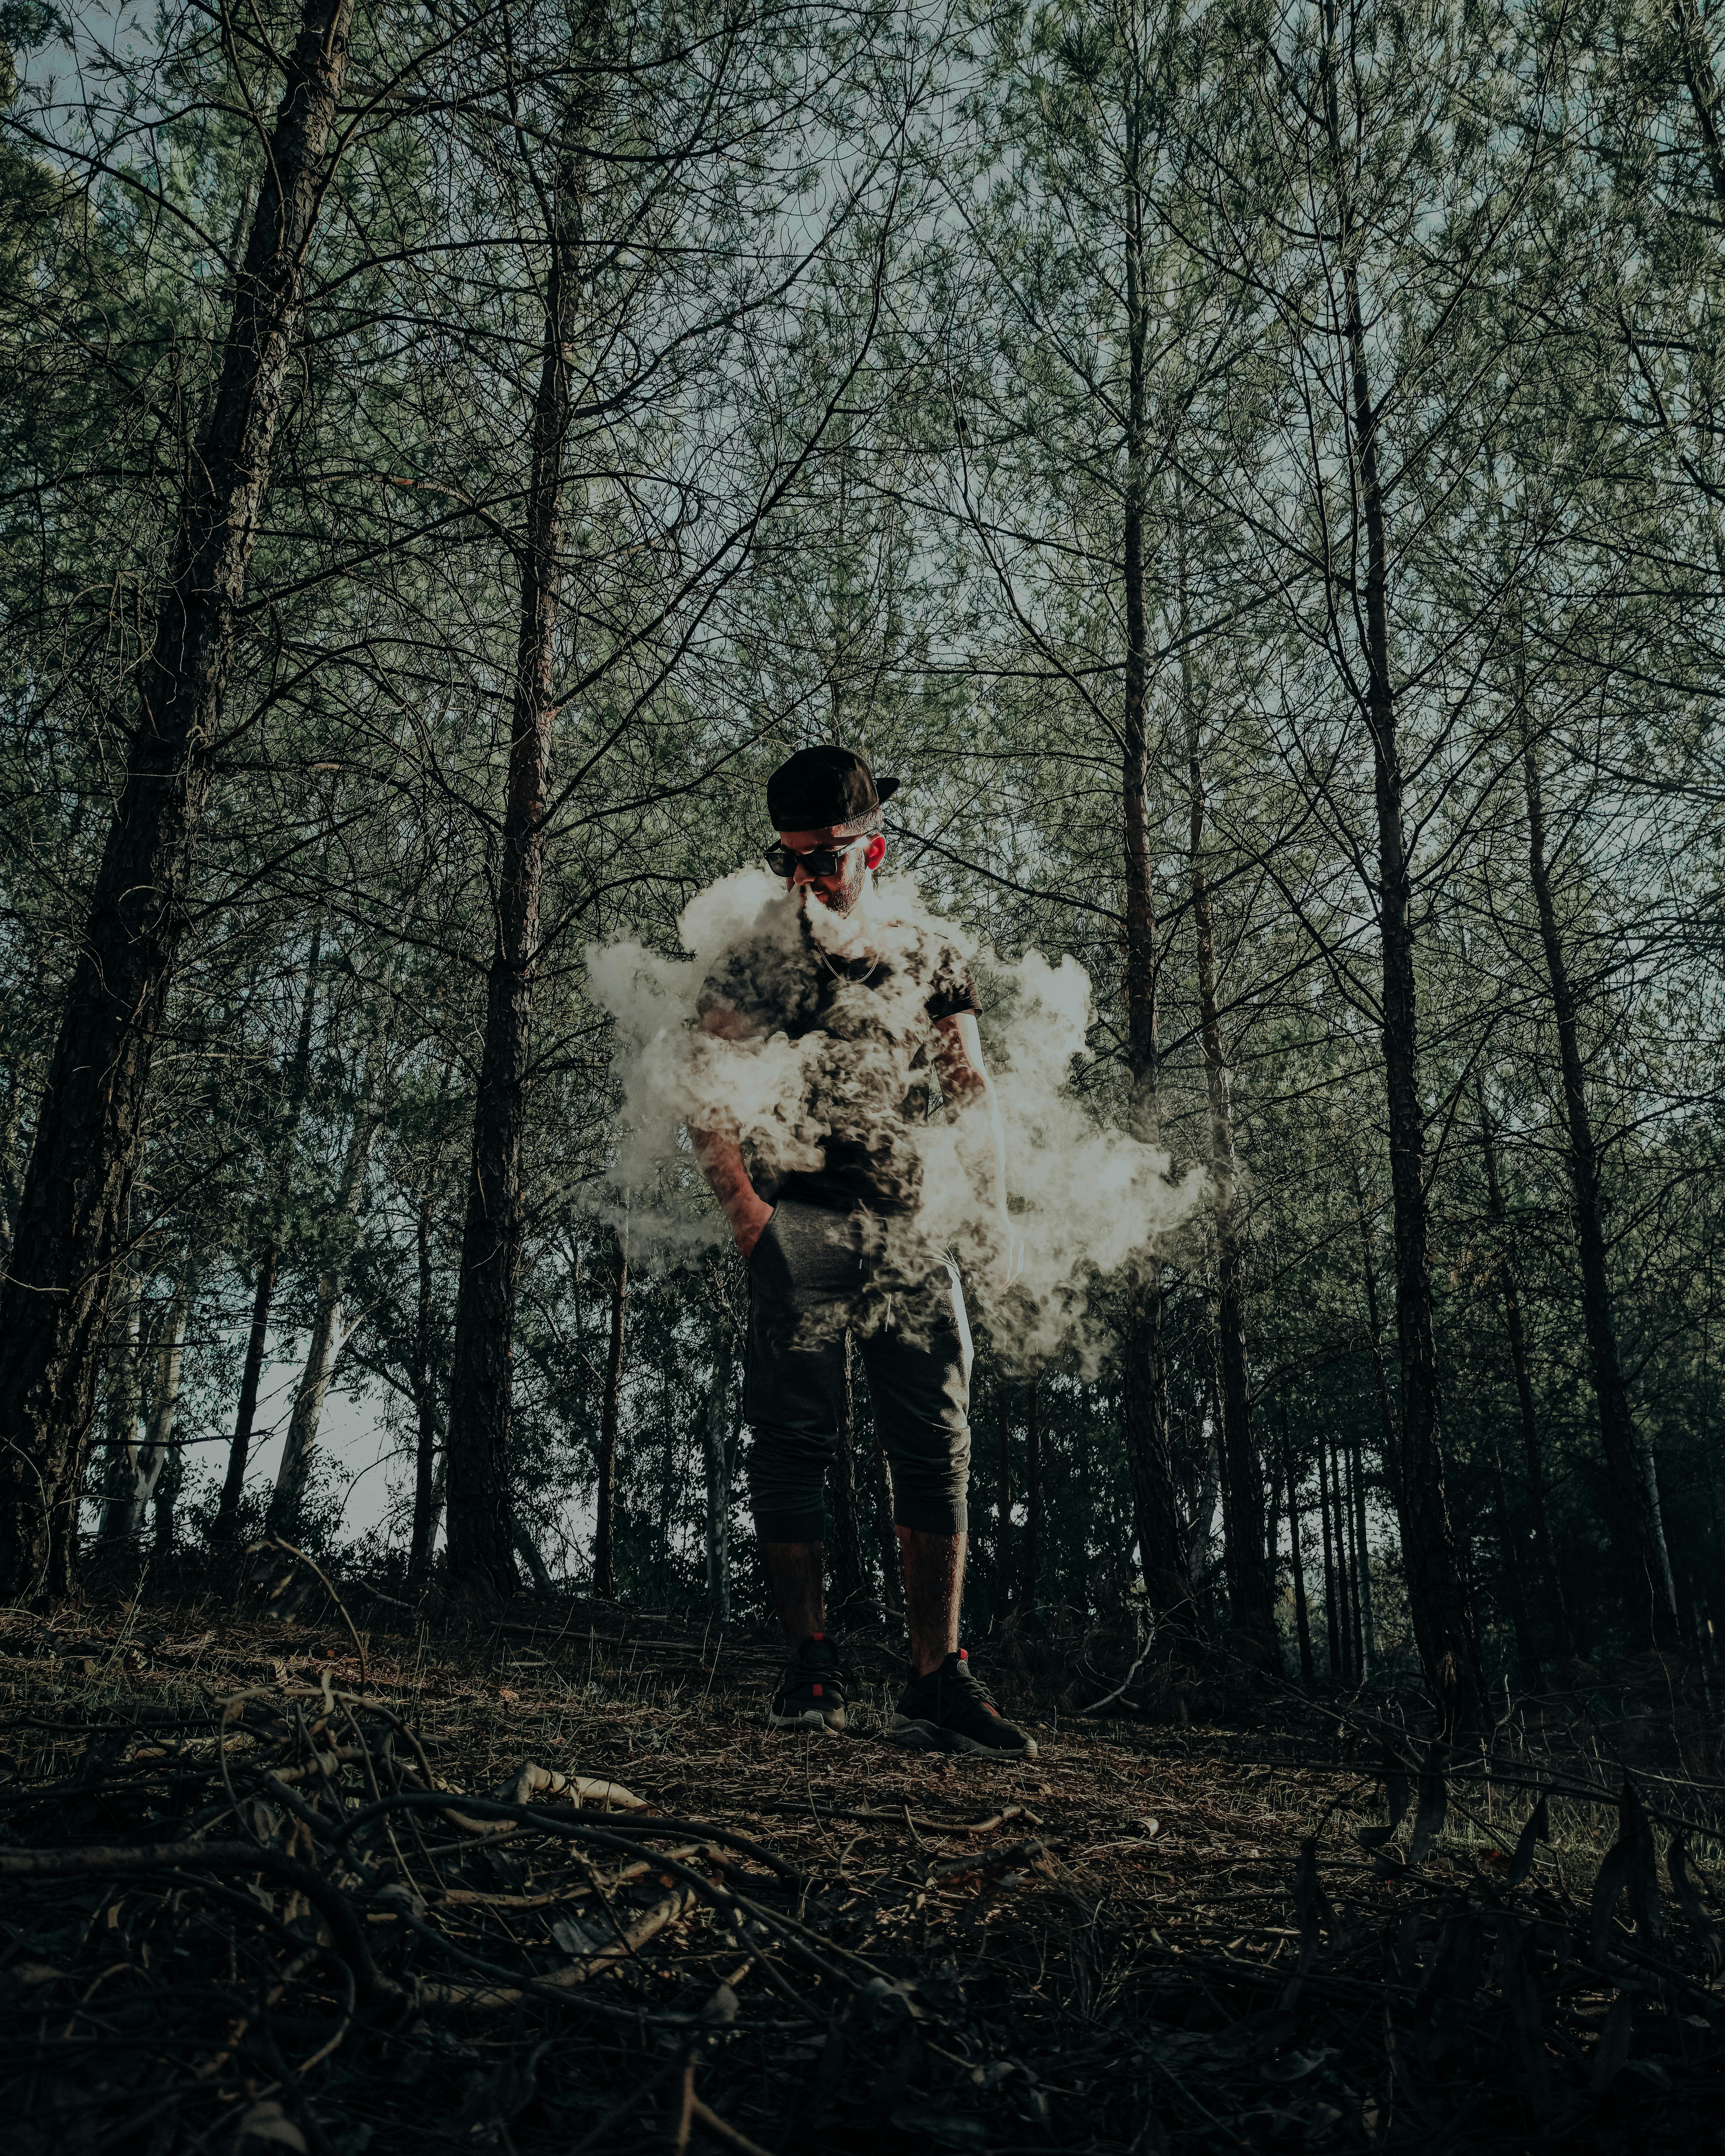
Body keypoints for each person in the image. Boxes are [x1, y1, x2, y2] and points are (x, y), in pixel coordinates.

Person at [689, 744, 1038, 1759]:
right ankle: (810, 1664)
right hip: (793, 1223)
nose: (807, 879)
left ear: (871, 846)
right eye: (789, 859)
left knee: (935, 1446)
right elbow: (700, 1093)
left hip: (912, 1229)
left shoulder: (930, 951)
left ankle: (937, 1678)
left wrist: (996, 1210)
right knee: (792, 1443)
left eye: (827, 858)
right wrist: (748, 1217)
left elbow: (969, 1085)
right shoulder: (755, 963)